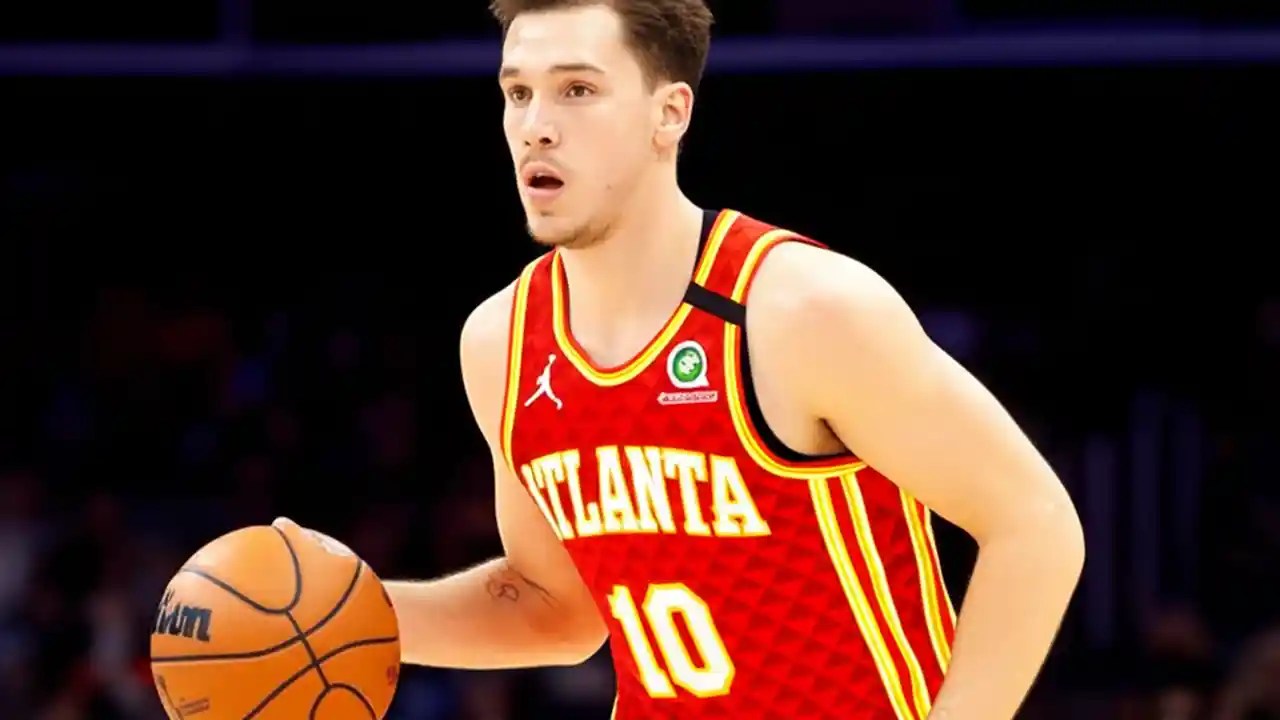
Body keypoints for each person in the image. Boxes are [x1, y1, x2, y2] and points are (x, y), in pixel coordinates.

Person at [278, 1, 1085, 717]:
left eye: (577, 90)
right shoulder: (502, 342)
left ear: (670, 114)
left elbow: (1036, 526)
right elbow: (555, 611)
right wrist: (349, 616)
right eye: (516, 92)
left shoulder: (798, 309)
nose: (536, 124)